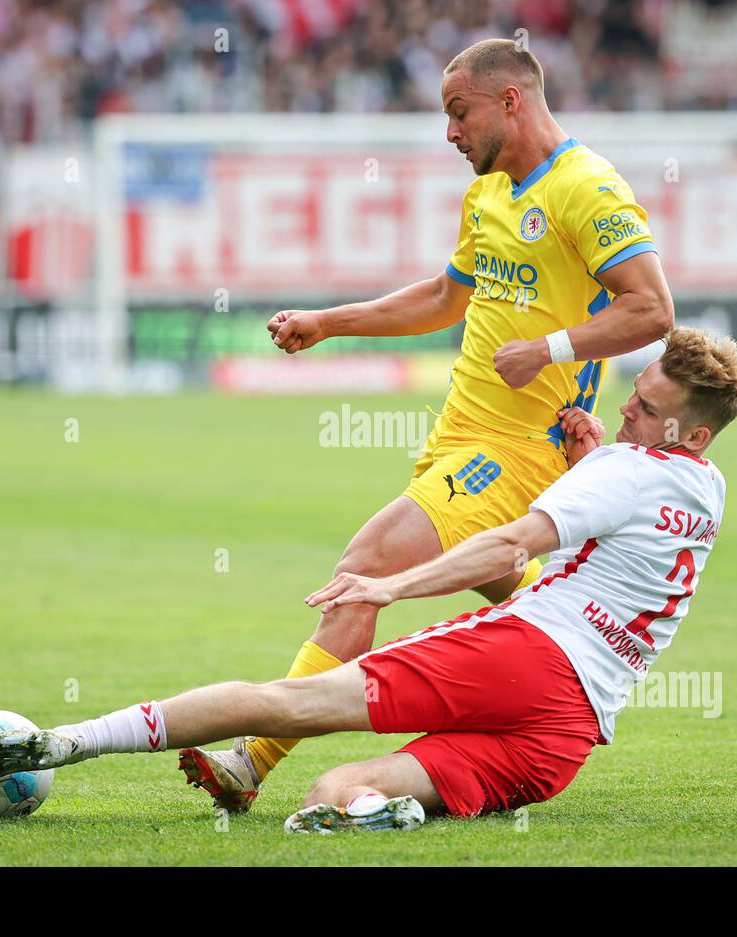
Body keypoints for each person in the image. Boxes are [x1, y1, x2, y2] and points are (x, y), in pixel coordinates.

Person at [0, 328, 737, 833]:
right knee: (333, 791)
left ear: (693, 431)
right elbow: (622, 531)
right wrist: (587, 464)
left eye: (646, 407)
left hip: (525, 657)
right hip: (565, 736)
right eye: (634, 394)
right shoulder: (706, 488)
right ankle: (378, 814)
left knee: (289, 703)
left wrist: (390, 589)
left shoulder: (625, 467)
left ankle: (70, 741)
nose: (626, 411)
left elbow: (511, 546)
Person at [180, 36, 675, 812]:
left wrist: (547, 349)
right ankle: (576, 640)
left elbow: (652, 309)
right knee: (519, 593)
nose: (450, 132)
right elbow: (446, 298)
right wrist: (330, 322)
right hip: (456, 438)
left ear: (511, 100)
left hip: (518, 451)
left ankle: (252, 760)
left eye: (459, 113)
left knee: (367, 566)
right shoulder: (490, 194)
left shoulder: (587, 188)